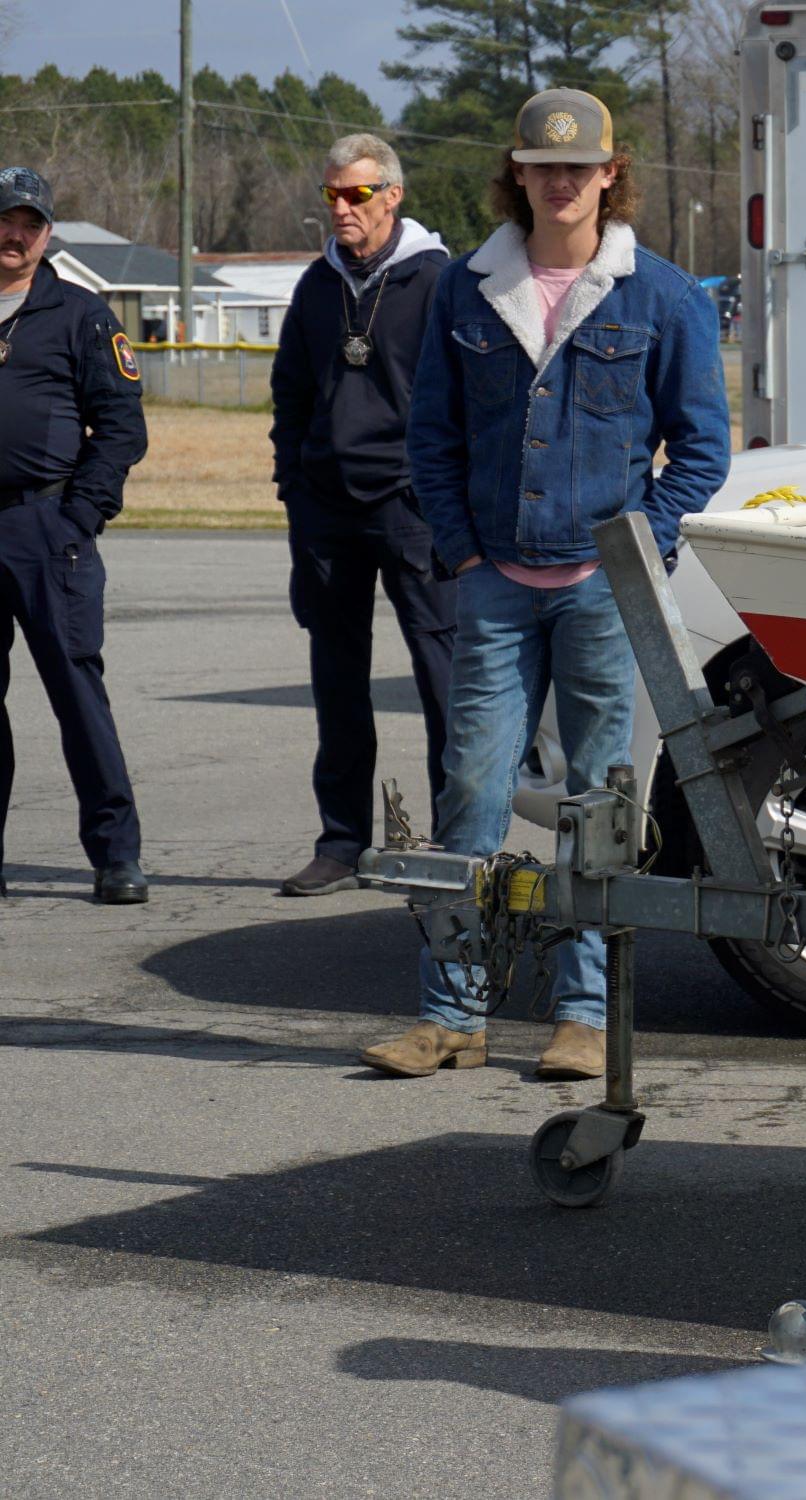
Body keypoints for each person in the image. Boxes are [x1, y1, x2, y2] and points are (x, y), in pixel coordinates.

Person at [362, 89, 729, 1079]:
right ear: (516, 175)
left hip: (602, 593)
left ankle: (582, 1014)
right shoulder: (466, 290)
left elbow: (700, 451)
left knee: (596, 801)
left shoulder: (662, 295)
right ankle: (452, 1016)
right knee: (471, 792)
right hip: (492, 585)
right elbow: (431, 437)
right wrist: (465, 549)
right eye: (541, 166)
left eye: (579, 167)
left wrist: (638, 546)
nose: (560, 182)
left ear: (609, 175)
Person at [268, 134, 455, 897]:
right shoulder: (317, 285)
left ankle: (455, 843)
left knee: (445, 679)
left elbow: (471, 401)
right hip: (329, 513)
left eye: (356, 195)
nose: (342, 209)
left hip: (413, 509)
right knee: (336, 681)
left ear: (392, 196)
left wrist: (446, 497)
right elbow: (290, 395)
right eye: (332, 195)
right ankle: (341, 843)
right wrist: (294, 489)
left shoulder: (442, 280)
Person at [0, 166, 150, 905]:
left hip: (46, 527)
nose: (15, 233)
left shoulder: (80, 313)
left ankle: (116, 854)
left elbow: (123, 427)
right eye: (5, 219)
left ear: (47, 232)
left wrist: (79, 513)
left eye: (30, 222)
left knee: (76, 694)